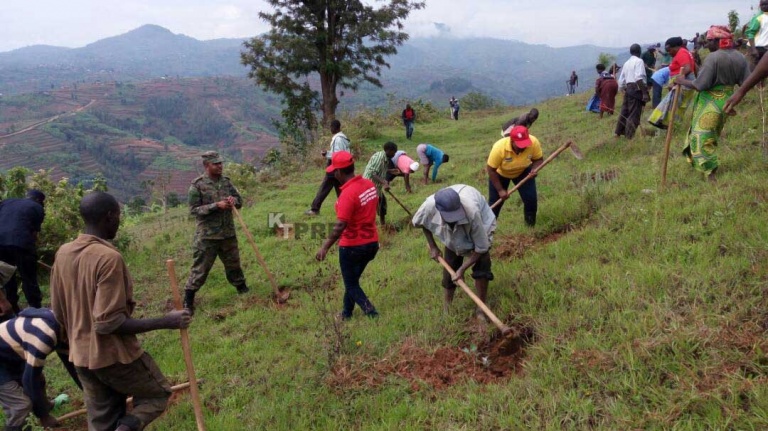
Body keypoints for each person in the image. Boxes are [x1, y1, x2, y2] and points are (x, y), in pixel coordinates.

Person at [50, 192, 191, 431]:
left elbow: (58, 312)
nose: (119, 221)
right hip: (112, 356)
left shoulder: (63, 252)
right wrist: (166, 321)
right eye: (118, 216)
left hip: (81, 357)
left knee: (102, 419)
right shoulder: (108, 258)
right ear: (109, 217)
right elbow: (108, 322)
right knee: (156, 395)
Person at [675, 25, 749, 182]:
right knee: (711, 135)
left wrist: (681, 81)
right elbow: (745, 82)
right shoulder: (740, 57)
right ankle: (707, 169)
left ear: (718, 41)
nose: (707, 45)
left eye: (709, 41)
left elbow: (699, 85)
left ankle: (711, 173)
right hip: (727, 100)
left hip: (710, 102)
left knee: (701, 137)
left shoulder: (714, 58)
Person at [412, 185, 496, 320]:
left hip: (482, 225)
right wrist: (433, 246)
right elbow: (422, 223)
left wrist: (462, 269)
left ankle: (481, 309)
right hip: (452, 230)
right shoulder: (428, 206)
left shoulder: (472, 212)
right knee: (450, 267)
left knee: (483, 263)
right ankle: (447, 308)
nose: (454, 219)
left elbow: (481, 247)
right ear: (438, 210)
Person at [316, 151, 380, 320]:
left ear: (339, 172)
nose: (333, 173)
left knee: (351, 283)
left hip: (352, 247)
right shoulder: (369, 185)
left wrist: (324, 247)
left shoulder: (347, 194)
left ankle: (371, 313)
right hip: (372, 243)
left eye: (334, 171)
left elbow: (340, 226)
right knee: (352, 282)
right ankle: (346, 313)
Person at [183, 151, 247, 315]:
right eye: (215, 164)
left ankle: (243, 291)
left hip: (227, 233)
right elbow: (193, 211)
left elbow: (239, 201)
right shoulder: (197, 185)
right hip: (208, 237)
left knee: (234, 264)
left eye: (220, 163)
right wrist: (215, 206)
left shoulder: (226, 182)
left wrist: (234, 201)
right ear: (206, 166)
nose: (220, 166)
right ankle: (188, 302)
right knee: (200, 270)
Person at [0, 308, 80, 431]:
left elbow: (73, 367)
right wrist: (44, 416)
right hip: (4, 360)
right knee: (21, 406)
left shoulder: (63, 323)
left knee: (39, 380)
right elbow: (29, 381)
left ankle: (44, 406)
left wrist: (89, 394)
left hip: (10, 354)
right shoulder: (45, 336)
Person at [486, 125, 544, 225]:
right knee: (495, 204)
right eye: (519, 145)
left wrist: (534, 170)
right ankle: (487, 229)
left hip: (524, 172)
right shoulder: (499, 148)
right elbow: (491, 170)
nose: (523, 147)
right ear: (511, 141)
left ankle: (530, 227)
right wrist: (500, 190)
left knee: (531, 200)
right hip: (500, 174)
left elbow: (538, 159)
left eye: (525, 144)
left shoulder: (533, 142)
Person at [0, 189, 46, 313]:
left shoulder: (7, 202)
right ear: (38, 200)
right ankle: (35, 308)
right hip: (22, 243)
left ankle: (12, 307)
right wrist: (31, 253)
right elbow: (34, 234)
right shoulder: (37, 207)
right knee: (29, 277)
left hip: (1, 242)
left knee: (7, 276)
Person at [649, 37, 697, 129]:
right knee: (672, 105)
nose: (669, 53)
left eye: (669, 50)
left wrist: (676, 81)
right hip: (680, 82)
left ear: (676, 47)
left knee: (674, 106)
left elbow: (687, 68)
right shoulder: (683, 52)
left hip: (681, 83)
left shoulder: (682, 53)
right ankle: (667, 124)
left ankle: (670, 125)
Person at [306, 119, 350, 216]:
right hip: (341, 167)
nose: (330, 129)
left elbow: (337, 154)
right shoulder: (344, 138)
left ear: (335, 128)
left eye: (331, 127)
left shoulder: (337, 139)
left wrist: (326, 154)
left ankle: (314, 209)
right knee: (341, 190)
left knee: (324, 188)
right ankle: (346, 209)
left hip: (335, 166)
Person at [615, 44, 650, 139]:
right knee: (634, 114)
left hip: (628, 89)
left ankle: (618, 133)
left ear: (631, 52)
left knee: (624, 112)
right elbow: (639, 78)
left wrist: (622, 90)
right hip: (636, 89)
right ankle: (629, 137)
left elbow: (621, 80)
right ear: (639, 51)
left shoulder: (626, 63)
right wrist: (644, 93)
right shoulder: (639, 61)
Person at [362, 142, 398, 225]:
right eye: (394, 152)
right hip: (369, 186)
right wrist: (384, 182)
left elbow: (379, 170)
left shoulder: (385, 158)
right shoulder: (380, 157)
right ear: (388, 150)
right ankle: (371, 225)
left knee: (382, 205)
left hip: (376, 187)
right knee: (371, 207)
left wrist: (390, 170)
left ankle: (382, 225)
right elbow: (372, 173)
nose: (394, 154)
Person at [745, 0, 768, 66]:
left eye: (766, 4)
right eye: (762, 5)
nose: (764, 6)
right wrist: (753, 49)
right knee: (753, 69)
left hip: (765, 47)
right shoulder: (758, 18)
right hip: (756, 47)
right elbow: (750, 33)